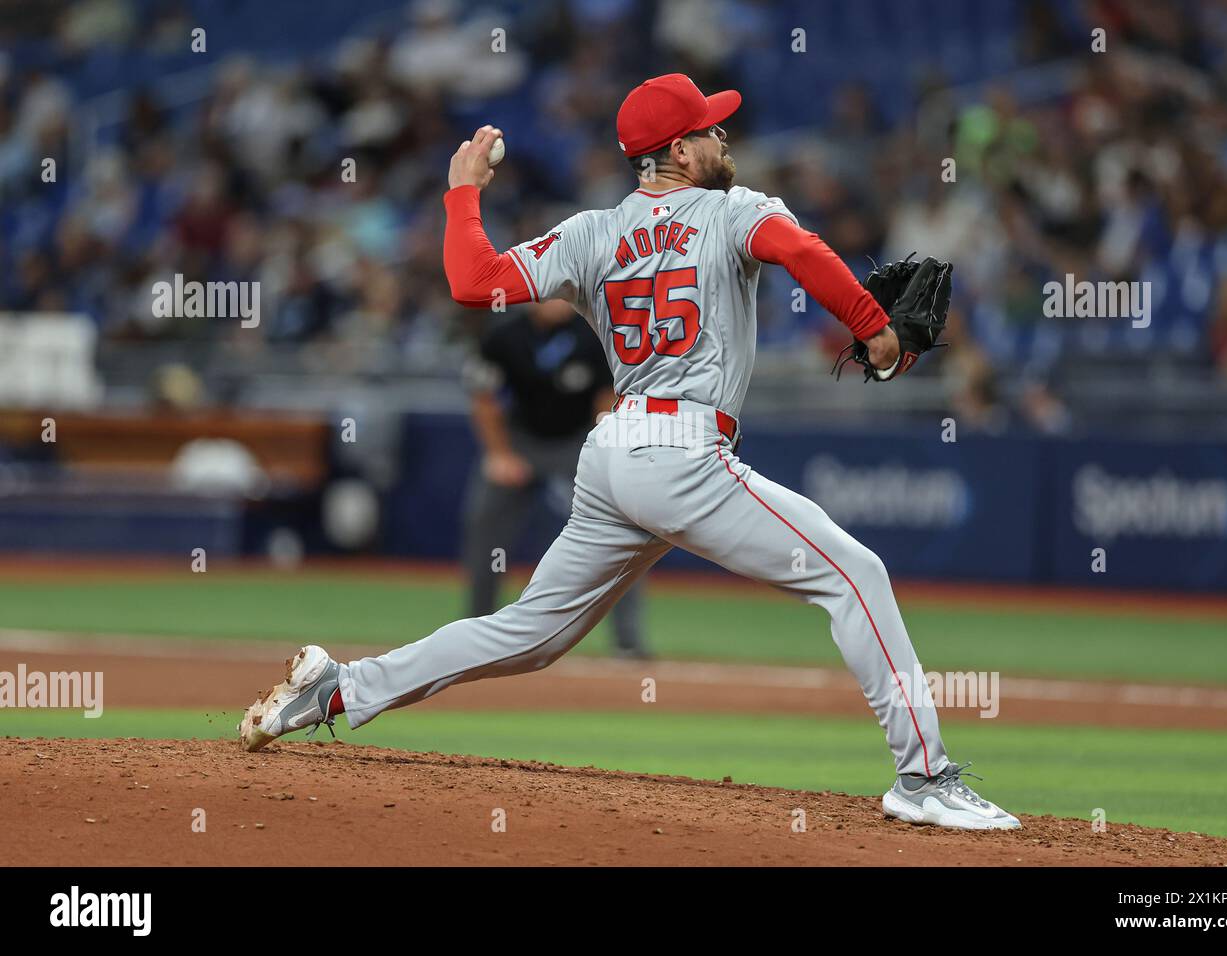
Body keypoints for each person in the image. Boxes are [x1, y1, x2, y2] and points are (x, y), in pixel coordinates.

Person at [239, 74, 1020, 830]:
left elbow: (473, 281)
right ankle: (925, 779)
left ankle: (337, 690)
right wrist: (875, 332)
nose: (723, 137)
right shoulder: (732, 209)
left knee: (530, 634)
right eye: (710, 129)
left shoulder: (591, 232)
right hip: (681, 451)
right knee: (856, 573)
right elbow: (802, 248)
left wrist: (462, 193)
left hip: (612, 452)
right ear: (679, 151)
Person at [463, 297, 649, 658]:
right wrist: (499, 454)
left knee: (619, 529)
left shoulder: (594, 334)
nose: (557, 301)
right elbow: (483, 398)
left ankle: (627, 643)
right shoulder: (504, 335)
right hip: (520, 440)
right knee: (485, 526)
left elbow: (608, 400)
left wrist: (601, 454)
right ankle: (472, 636)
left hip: (577, 441)